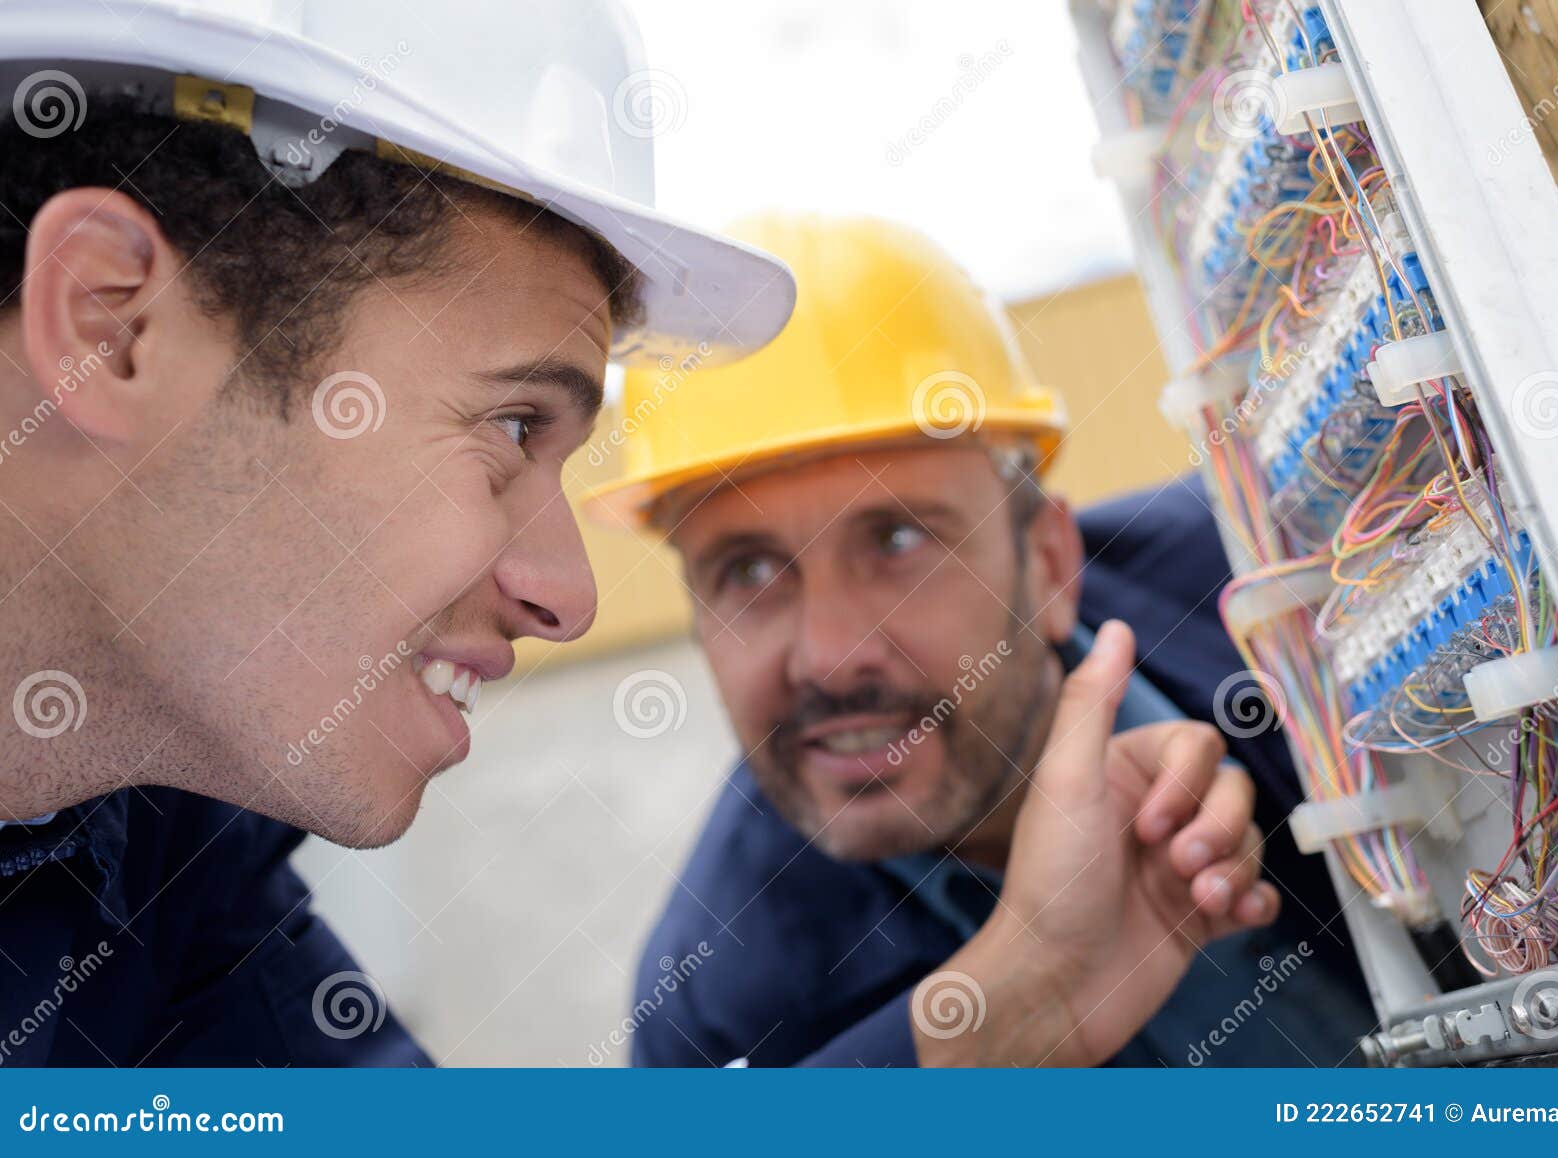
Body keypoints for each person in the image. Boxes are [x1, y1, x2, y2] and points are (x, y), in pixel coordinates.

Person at [0, 0, 795, 1065]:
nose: (571, 596)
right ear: (112, 323)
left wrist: (982, 1027)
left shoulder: (169, 857)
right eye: (513, 426)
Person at [586, 214, 1378, 1067]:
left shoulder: (1287, 569)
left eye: (896, 543)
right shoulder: (723, 1024)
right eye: (745, 573)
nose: (830, 656)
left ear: (1047, 561)